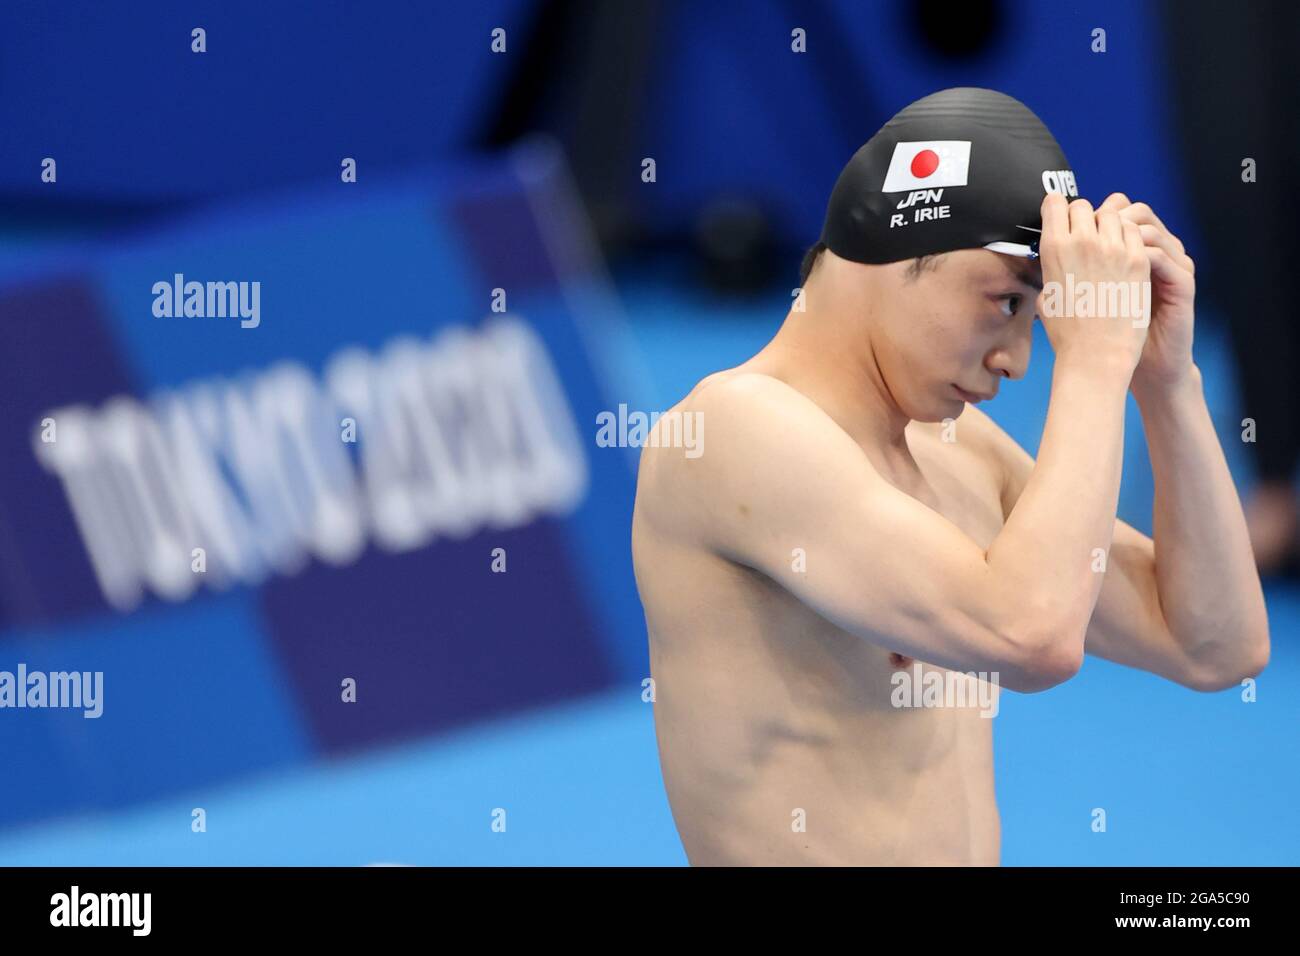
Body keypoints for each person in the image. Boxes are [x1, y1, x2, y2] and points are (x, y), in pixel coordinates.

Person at [630, 88, 1269, 866]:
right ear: (896, 251)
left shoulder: (957, 449)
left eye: (1038, 314)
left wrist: (1166, 385)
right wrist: (1096, 362)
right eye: (1005, 301)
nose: (1018, 359)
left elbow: (1215, 645)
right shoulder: (730, 433)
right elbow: (1030, 638)